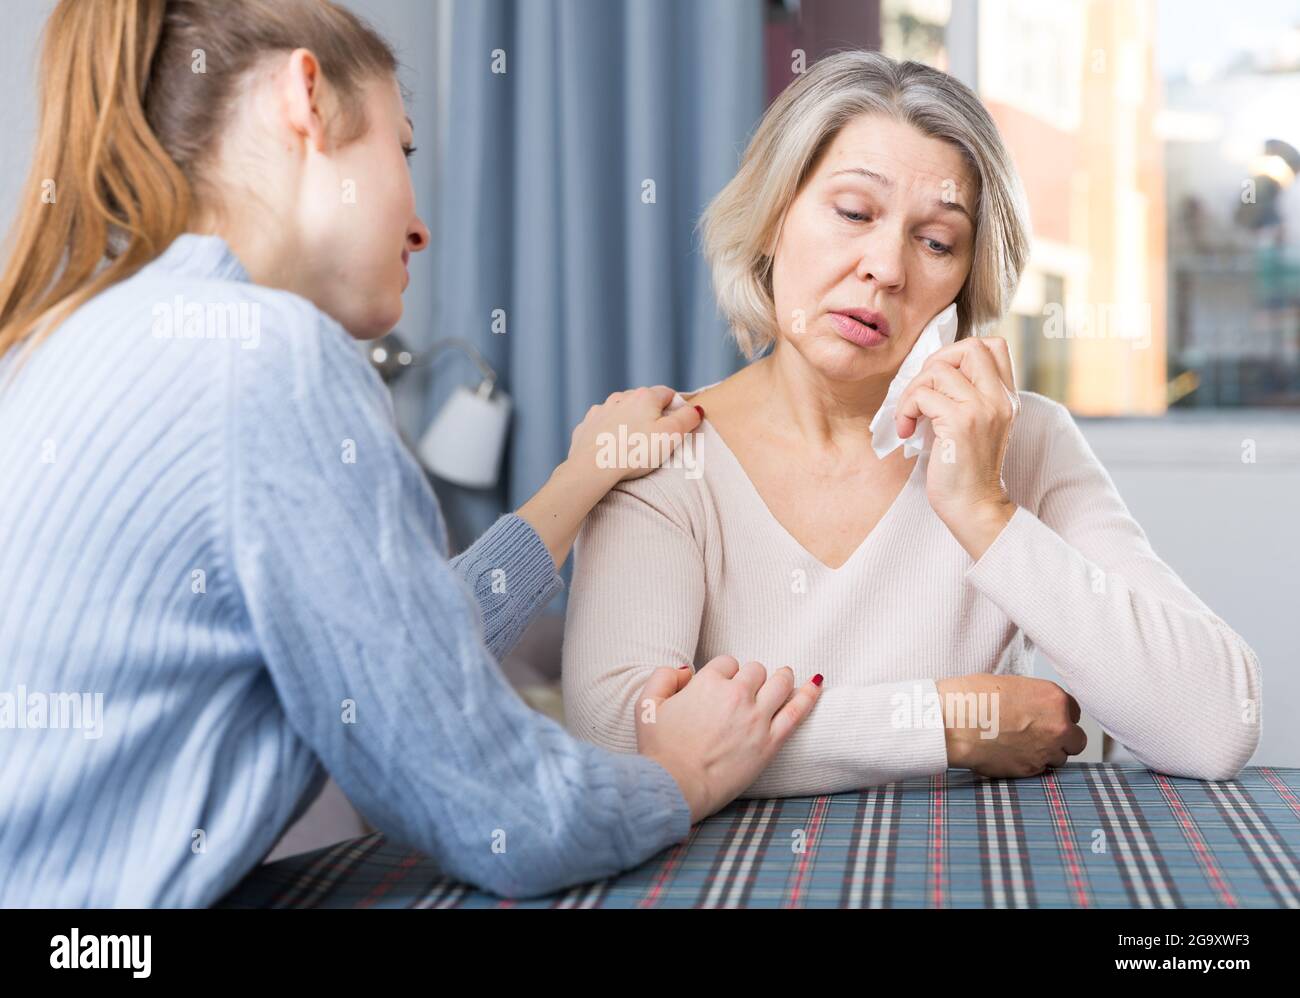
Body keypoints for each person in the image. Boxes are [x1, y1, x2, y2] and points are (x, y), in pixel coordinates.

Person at [0, 0, 821, 907]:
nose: (422, 227)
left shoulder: (82, 339)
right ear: (304, 98)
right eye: (405, 149)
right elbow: (502, 812)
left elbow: (393, 654)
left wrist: (579, 478)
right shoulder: (270, 359)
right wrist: (680, 774)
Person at [562, 51, 1262, 796]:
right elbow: (622, 743)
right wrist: (948, 722)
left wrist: (983, 511)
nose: (887, 268)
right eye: (854, 213)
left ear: (965, 281)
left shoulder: (1025, 443)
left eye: (936, 242)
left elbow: (1217, 722)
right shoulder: (665, 453)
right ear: (772, 219)